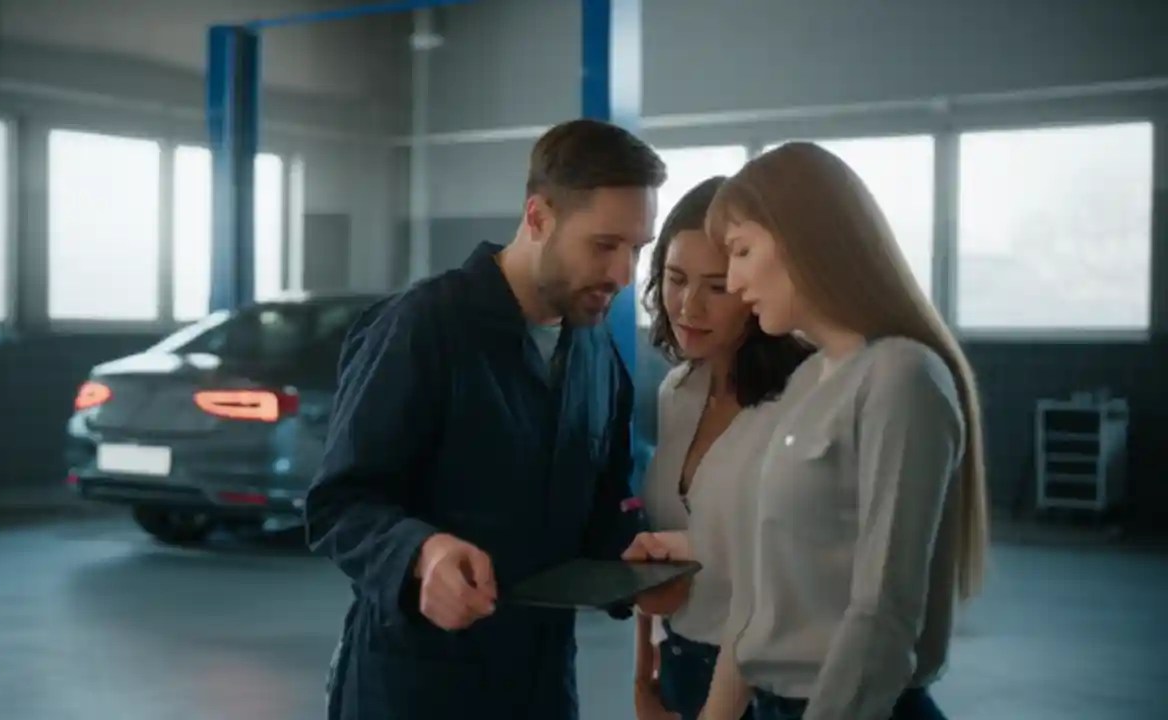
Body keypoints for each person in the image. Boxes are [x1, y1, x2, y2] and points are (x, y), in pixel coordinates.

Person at [303, 118, 667, 720]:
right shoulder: (422, 327)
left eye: (638, 249)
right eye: (604, 245)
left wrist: (649, 564)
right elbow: (339, 503)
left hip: (541, 688)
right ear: (538, 217)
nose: (623, 275)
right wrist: (422, 554)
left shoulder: (596, 353)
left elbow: (600, 517)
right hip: (413, 692)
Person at [694, 142, 989, 720]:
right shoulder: (807, 382)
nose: (732, 279)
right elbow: (759, 592)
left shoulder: (900, 377)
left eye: (742, 250)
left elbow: (884, 609)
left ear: (804, 239)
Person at [625, 177, 811, 720]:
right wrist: (643, 678)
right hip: (680, 666)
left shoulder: (802, 400)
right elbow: (656, 555)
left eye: (717, 287)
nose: (688, 305)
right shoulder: (678, 390)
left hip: (768, 684)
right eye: (675, 279)